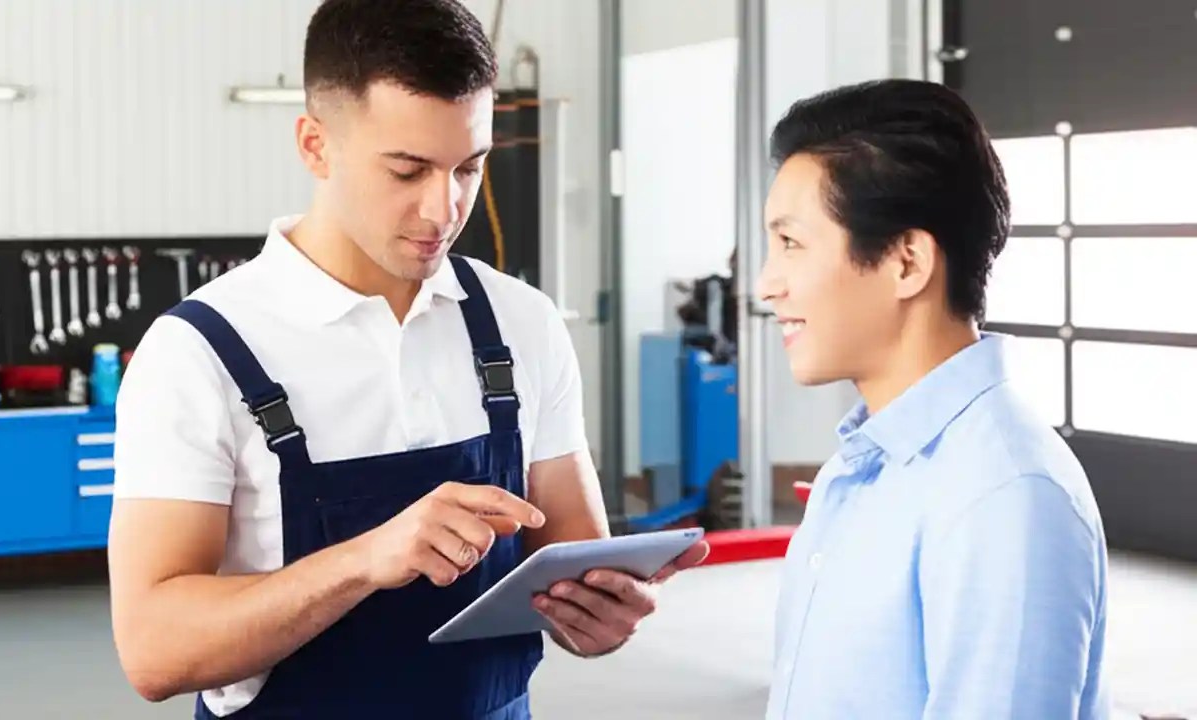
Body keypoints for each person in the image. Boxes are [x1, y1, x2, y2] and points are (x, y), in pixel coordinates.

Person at [106, 1, 708, 717]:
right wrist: (365, 559)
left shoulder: (524, 324)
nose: (442, 209)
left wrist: (602, 616)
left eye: (468, 168)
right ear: (314, 145)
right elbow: (154, 653)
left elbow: (576, 560)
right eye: (407, 170)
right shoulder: (198, 353)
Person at [758, 79, 1108, 720]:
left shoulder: (1005, 493)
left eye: (791, 244)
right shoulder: (861, 463)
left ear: (906, 262)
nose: (766, 285)